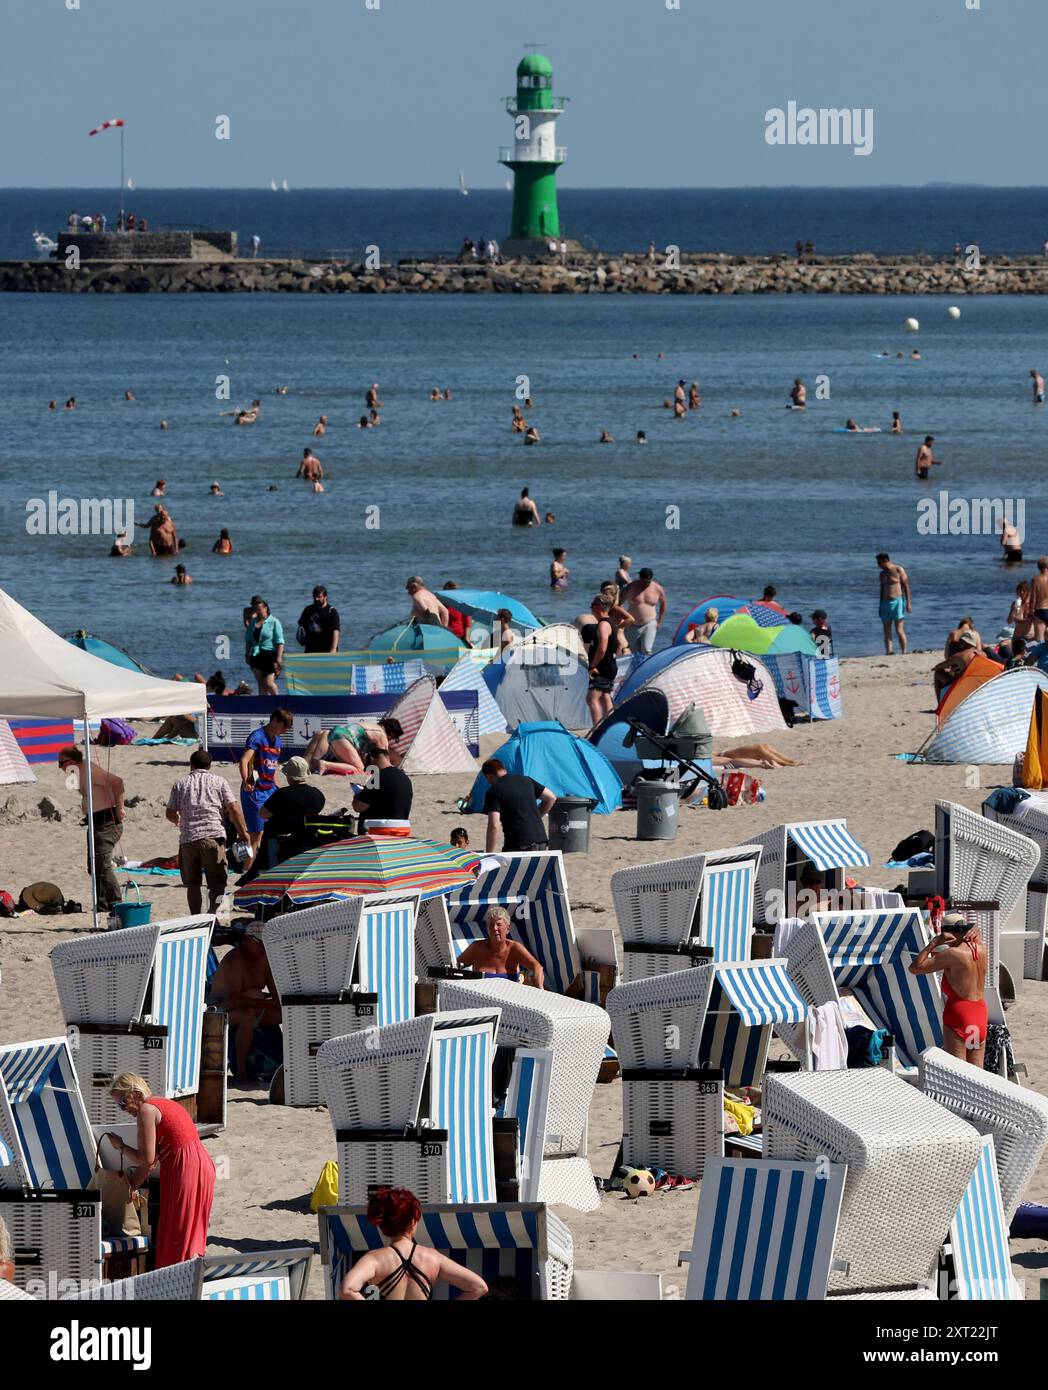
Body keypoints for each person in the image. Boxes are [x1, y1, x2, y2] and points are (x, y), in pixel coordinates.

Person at [108, 1073, 216, 1265]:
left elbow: (147, 1161)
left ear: (134, 1093)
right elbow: (150, 1162)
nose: (123, 1109)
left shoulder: (146, 1111)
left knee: (178, 1234)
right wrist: (130, 1186)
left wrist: (121, 1147)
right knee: (190, 1233)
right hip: (201, 1164)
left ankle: (177, 1284)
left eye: (123, 1103)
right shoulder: (162, 1103)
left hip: (184, 1168)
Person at [339, 1188, 487, 1301]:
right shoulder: (432, 1258)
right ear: (412, 1222)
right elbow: (479, 1287)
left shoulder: (374, 1259)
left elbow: (347, 1289)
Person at [166, 749, 248, 913]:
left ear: (191, 764)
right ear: (210, 765)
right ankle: (213, 915)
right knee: (217, 883)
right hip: (213, 836)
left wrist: (179, 821)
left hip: (188, 839)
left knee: (193, 884)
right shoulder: (219, 781)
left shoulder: (180, 783)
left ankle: (196, 917)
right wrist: (242, 831)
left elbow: (170, 812)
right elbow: (233, 808)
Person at [908, 911, 988, 1067]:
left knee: (958, 1074)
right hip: (979, 1013)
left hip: (959, 1015)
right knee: (979, 1077)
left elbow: (915, 968)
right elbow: (976, 934)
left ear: (948, 934)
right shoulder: (981, 948)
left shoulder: (952, 954)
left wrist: (933, 943)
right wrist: (974, 930)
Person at [57, 746, 124, 913]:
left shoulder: (90, 770)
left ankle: (117, 903)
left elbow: (118, 782)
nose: (60, 768)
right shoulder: (80, 772)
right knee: (93, 866)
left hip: (107, 821)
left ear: (71, 762)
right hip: (95, 821)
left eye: (61, 764)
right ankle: (102, 906)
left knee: (102, 865)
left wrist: (119, 809)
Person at [238, 708, 293, 858]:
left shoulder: (278, 739)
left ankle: (266, 863)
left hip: (270, 789)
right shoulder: (257, 736)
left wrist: (275, 786)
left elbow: (272, 766)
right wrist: (245, 781)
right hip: (255, 790)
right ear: (275, 720)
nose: (285, 731)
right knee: (256, 833)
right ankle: (246, 870)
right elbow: (244, 760)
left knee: (274, 828)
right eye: (284, 727)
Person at [256, 756, 325, 866]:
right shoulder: (317, 795)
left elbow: (263, 814)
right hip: (308, 841)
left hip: (282, 842)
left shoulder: (282, 794)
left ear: (289, 776)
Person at [481, 758, 556, 853]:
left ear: (488, 776)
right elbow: (551, 798)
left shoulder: (494, 791)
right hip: (541, 840)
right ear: (504, 769)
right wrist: (538, 815)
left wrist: (489, 853)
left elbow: (494, 825)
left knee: (510, 868)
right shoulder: (526, 780)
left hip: (519, 843)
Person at [458, 906, 545, 987]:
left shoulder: (514, 948)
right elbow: (455, 966)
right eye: (491, 925)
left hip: (511, 998)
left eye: (498, 924)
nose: (495, 928)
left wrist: (539, 988)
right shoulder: (477, 948)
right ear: (487, 930)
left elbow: (537, 967)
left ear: (508, 928)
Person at [303, 716, 402, 776]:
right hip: (344, 738)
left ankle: (312, 768)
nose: (390, 740)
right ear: (391, 733)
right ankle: (326, 765)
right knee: (359, 769)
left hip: (337, 732)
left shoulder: (371, 725)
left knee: (350, 765)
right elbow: (384, 760)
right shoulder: (382, 735)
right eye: (392, 738)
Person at [353, 742, 413, 836]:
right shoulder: (405, 778)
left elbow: (358, 807)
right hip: (402, 830)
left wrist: (357, 795)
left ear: (371, 759)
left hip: (380, 831)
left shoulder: (377, 778)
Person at [582, 594, 618, 724]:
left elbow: (602, 648)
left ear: (599, 607)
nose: (591, 609)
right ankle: (610, 725)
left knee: (592, 698)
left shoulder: (603, 624)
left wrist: (592, 666)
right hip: (609, 666)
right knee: (605, 697)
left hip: (602, 667)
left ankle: (597, 728)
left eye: (592, 605)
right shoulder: (611, 623)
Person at [622, 566, 667, 655]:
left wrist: (660, 621)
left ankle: (646, 668)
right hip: (632, 624)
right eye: (643, 581)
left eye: (647, 582)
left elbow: (663, 604)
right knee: (632, 651)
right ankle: (634, 668)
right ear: (640, 578)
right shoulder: (631, 587)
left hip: (649, 623)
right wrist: (624, 619)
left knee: (647, 650)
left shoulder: (657, 588)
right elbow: (619, 603)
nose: (645, 584)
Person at [245, 599, 285, 696]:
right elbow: (248, 640)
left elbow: (280, 642)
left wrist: (279, 658)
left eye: (259, 609)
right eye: (255, 610)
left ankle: (278, 703)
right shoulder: (253, 623)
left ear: (266, 608)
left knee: (269, 683)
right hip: (256, 655)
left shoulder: (274, 622)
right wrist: (247, 655)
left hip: (270, 655)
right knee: (261, 684)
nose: (257, 612)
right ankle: (263, 708)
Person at [876, 552, 911, 655]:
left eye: (879, 563)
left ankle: (904, 651)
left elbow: (906, 587)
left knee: (899, 629)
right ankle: (889, 651)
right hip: (885, 603)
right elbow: (881, 590)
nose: (878, 565)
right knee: (887, 631)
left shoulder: (898, 569)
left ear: (885, 561)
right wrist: (880, 606)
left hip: (897, 602)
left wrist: (908, 603)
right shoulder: (882, 574)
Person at [297, 585, 341, 653]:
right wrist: (301, 639)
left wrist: (333, 648)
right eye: (314, 597)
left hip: (327, 650)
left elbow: (336, 631)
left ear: (325, 597)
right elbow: (301, 627)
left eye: (319, 597)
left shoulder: (331, 611)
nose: (316, 599)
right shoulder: (308, 610)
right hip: (310, 650)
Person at [1031, 557, 1048, 642]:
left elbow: (1033, 598)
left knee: (1039, 638)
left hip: (1041, 610)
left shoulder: (1036, 579)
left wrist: (1030, 612)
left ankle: (1041, 654)